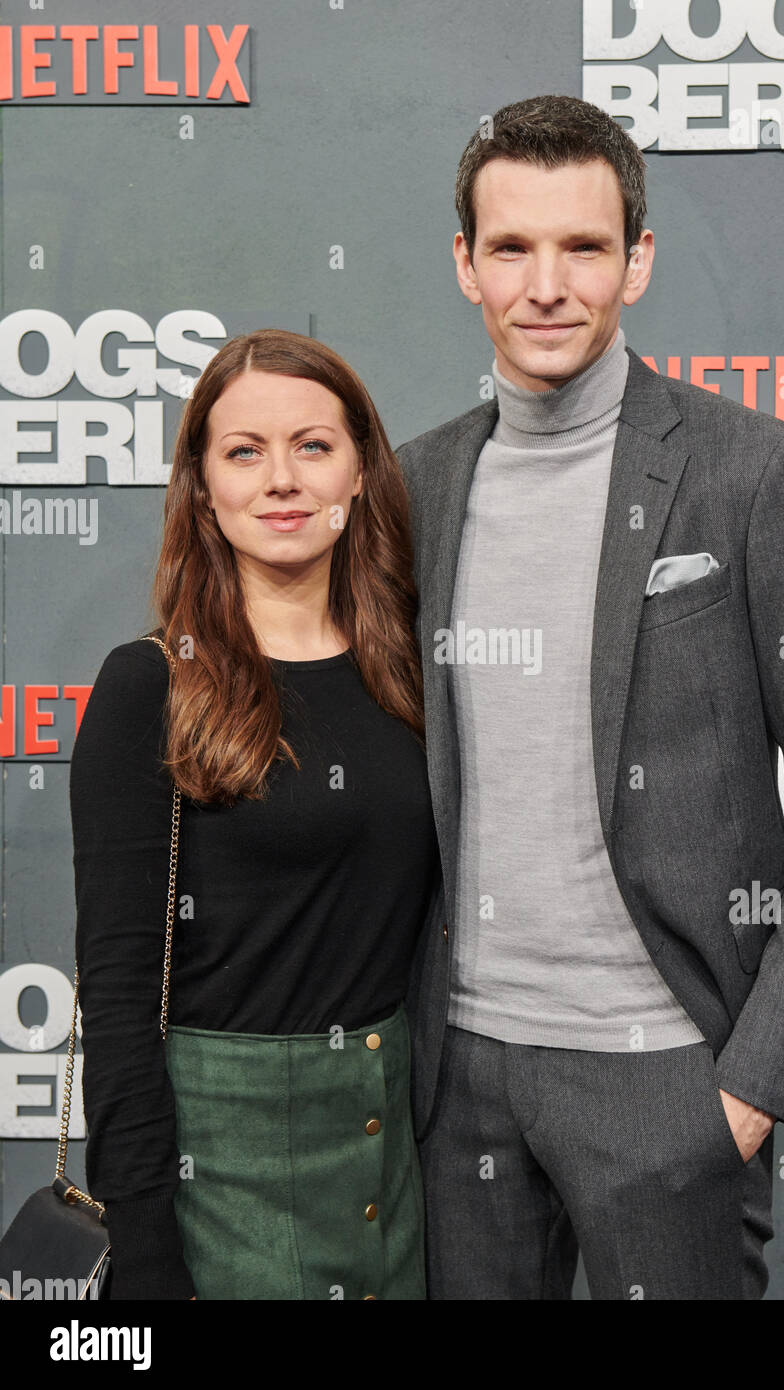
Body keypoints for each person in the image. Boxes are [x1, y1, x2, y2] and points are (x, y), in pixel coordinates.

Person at [395, 95, 784, 1300]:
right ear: (464, 263)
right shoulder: (412, 485)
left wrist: (744, 1089)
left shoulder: (753, 474)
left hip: (667, 1072)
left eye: (583, 246)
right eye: (511, 247)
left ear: (639, 258)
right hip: (455, 1076)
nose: (547, 284)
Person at [71, 328, 440, 1300]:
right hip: (213, 1190)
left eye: (313, 446)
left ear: (360, 471)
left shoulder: (413, 679)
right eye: (244, 451)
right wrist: (148, 1257)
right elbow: (117, 1004)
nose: (281, 478)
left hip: (391, 1179)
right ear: (201, 484)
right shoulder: (148, 686)